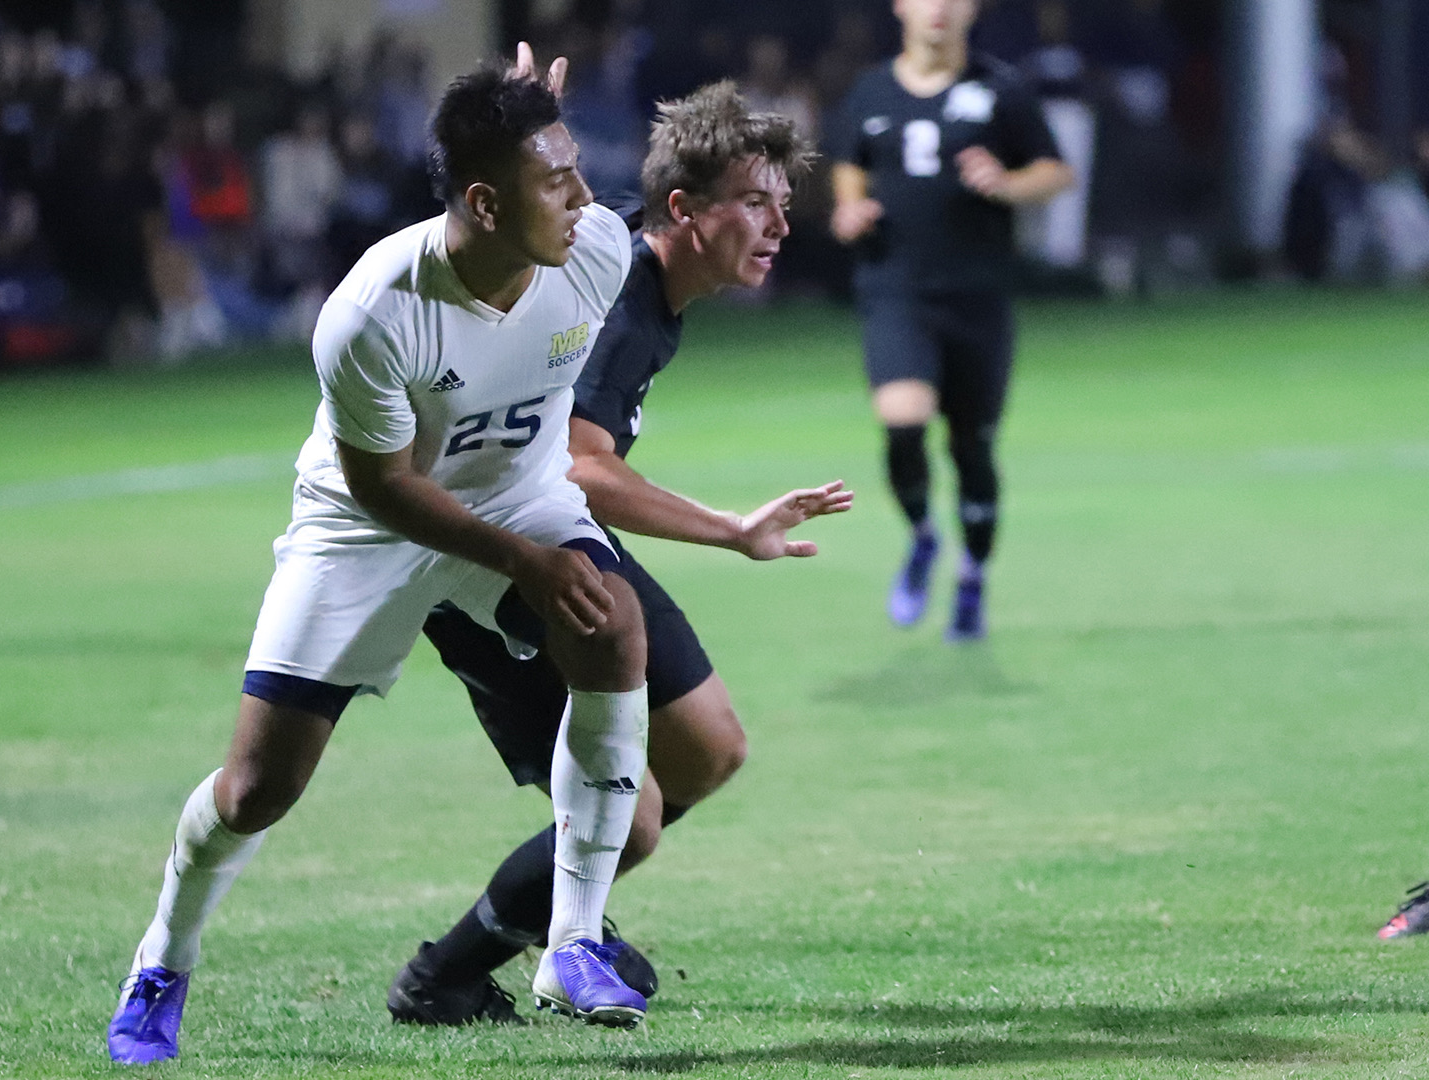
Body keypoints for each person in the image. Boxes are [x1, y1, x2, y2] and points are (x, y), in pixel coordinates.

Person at [106, 46, 655, 1063]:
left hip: (517, 499)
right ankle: (162, 958)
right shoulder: (372, 310)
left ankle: (570, 945)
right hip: (361, 531)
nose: (586, 195)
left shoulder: (596, 250)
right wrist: (527, 565)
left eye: (577, 170)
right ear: (485, 204)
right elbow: (385, 487)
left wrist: (531, 124)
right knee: (255, 789)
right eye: (556, 179)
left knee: (614, 623)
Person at [385, 81, 851, 1026]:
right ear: (683, 209)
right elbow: (583, 466)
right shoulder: (620, 297)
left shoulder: (645, 288)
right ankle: (451, 974)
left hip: (551, 532)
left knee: (710, 751)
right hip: (491, 561)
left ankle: (572, 917)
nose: (778, 226)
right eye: (755, 203)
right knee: (633, 819)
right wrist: (731, 528)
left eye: (784, 206)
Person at [829, 0, 1074, 641]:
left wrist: (1007, 183)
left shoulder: (1002, 89)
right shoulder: (872, 90)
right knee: (903, 423)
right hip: (896, 290)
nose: (937, 9)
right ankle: (922, 537)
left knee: (972, 447)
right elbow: (849, 165)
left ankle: (972, 579)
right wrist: (849, 211)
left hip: (977, 296)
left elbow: (1056, 171)